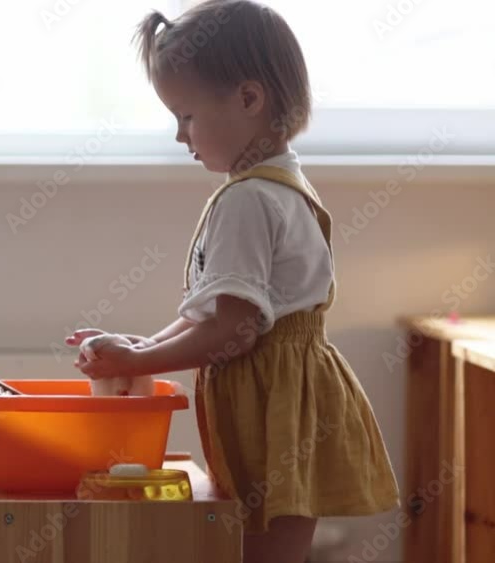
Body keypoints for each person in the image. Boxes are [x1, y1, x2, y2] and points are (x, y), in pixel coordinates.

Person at [65, 2, 400, 561]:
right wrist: (142, 345)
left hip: (274, 409)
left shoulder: (247, 200)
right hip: (285, 399)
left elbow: (232, 330)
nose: (180, 136)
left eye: (187, 116)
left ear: (248, 99)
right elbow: (214, 310)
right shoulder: (282, 185)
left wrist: (137, 365)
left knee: (260, 550)